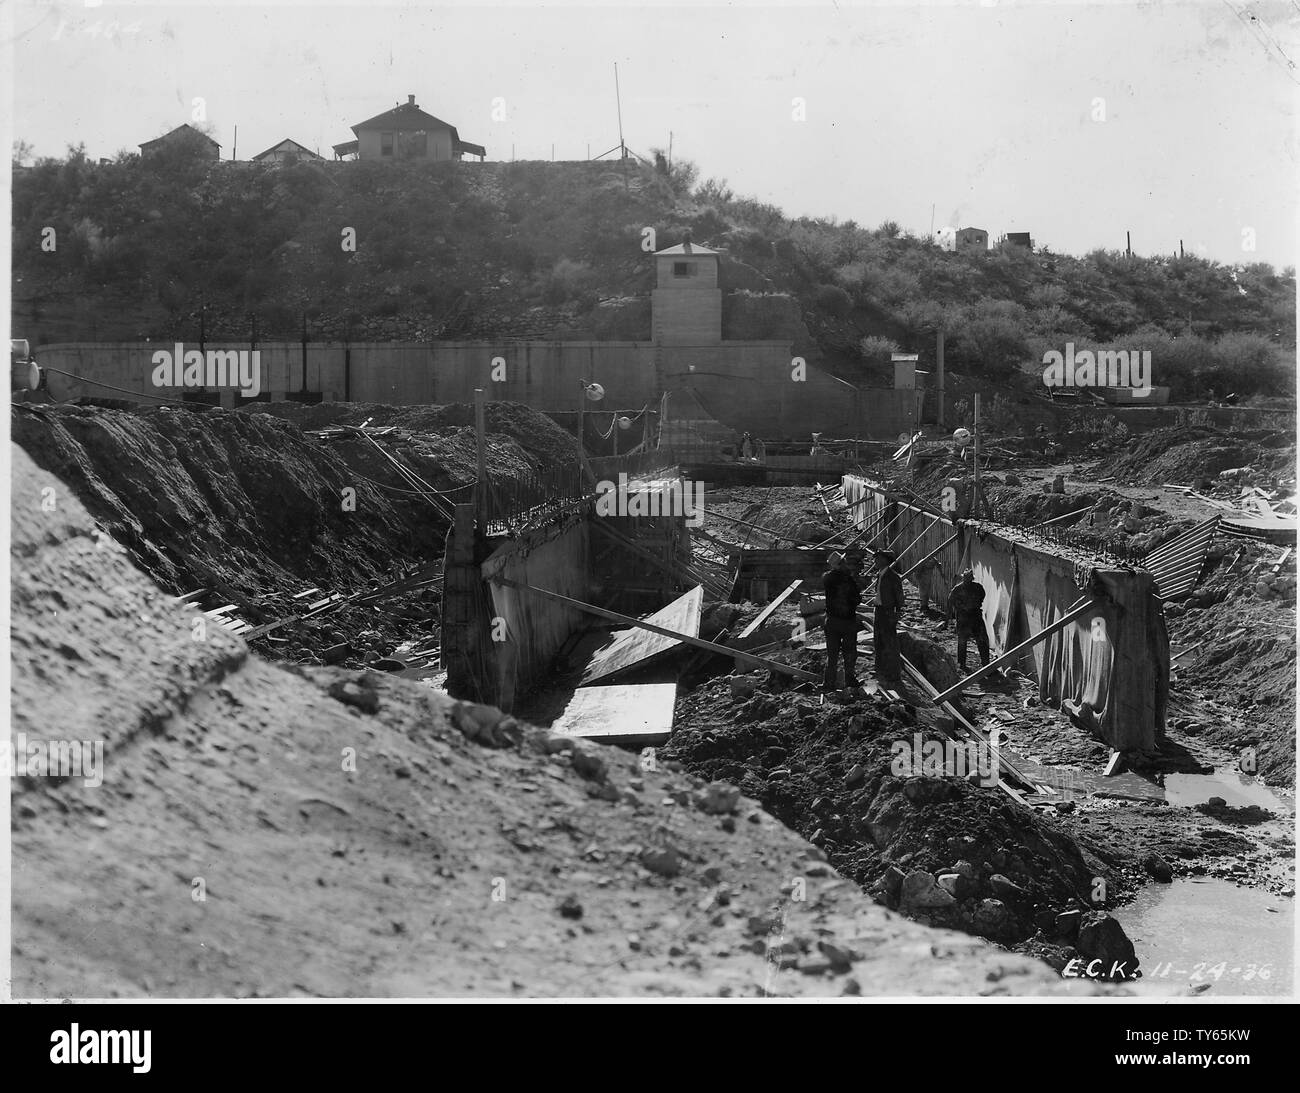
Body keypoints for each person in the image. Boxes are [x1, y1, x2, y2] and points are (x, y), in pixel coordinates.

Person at [821, 551, 862, 691]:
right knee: (849, 653)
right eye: (843, 562)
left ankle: (829, 683)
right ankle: (849, 679)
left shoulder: (827, 578)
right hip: (847, 621)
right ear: (840, 564)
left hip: (832, 620)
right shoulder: (847, 579)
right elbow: (857, 599)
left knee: (832, 654)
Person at [947, 569, 997, 676]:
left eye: (969, 578)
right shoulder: (957, 589)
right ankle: (961, 664)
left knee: (982, 639)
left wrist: (974, 605)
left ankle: (985, 664)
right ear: (963, 578)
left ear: (972, 579)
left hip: (975, 616)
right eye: (966, 578)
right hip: (963, 618)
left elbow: (982, 597)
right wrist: (959, 609)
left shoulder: (978, 587)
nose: (967, 580)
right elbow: (951, 601)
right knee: (962, 641)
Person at [872, 549, 904, 685]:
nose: (875, 561)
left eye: (878, 558)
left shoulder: (892, 577)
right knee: (878, 640)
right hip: (879, 610)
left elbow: (899, 597)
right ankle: (880, 669)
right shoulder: (880, 575)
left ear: (885, 560)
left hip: (887, 612)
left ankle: (894, 674)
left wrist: (896, 613)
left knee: (890, 643)